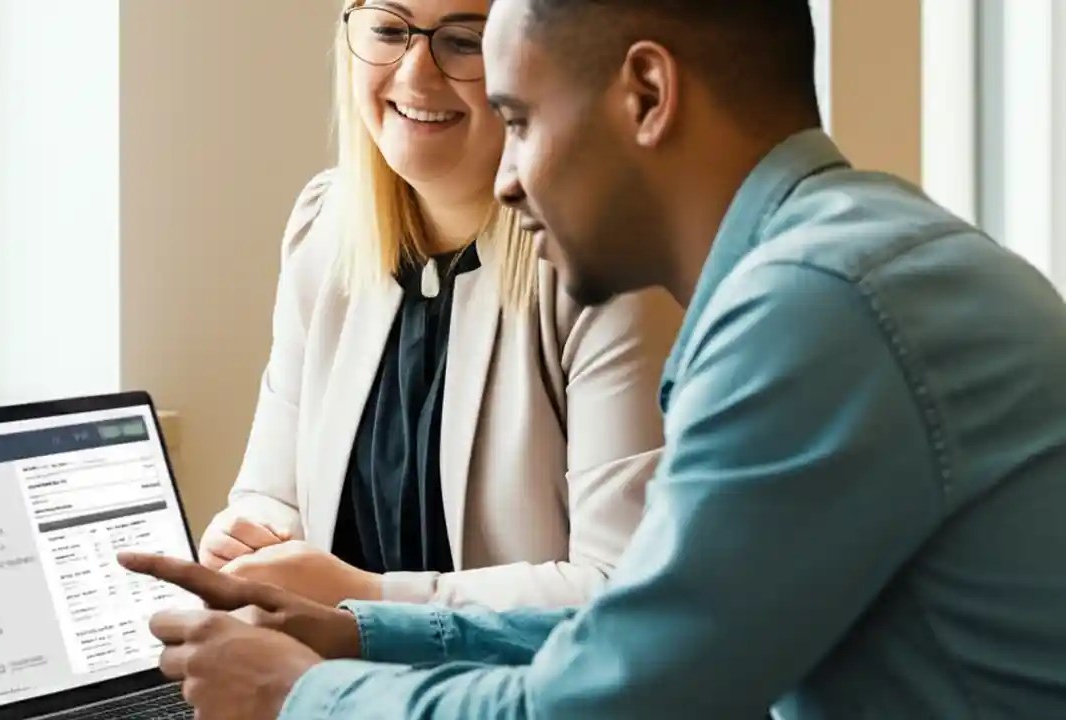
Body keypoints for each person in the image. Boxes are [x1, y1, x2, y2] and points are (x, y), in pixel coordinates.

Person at [121, 0, 1066, 717]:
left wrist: (306, 696)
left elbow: (625, 697)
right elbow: (649, 626)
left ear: (648, 96)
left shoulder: (815, 307)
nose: (504, 177)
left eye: (520, 118)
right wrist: (361, 629)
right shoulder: (848, 257)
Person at [198, 0, 682, 612]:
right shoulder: (323, 227)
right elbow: (272, 494)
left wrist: (367, 600)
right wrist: (249, 537)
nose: (414, 75)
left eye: (463, 41)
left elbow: (623, 587)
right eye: (387, 29)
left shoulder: (612, 266)